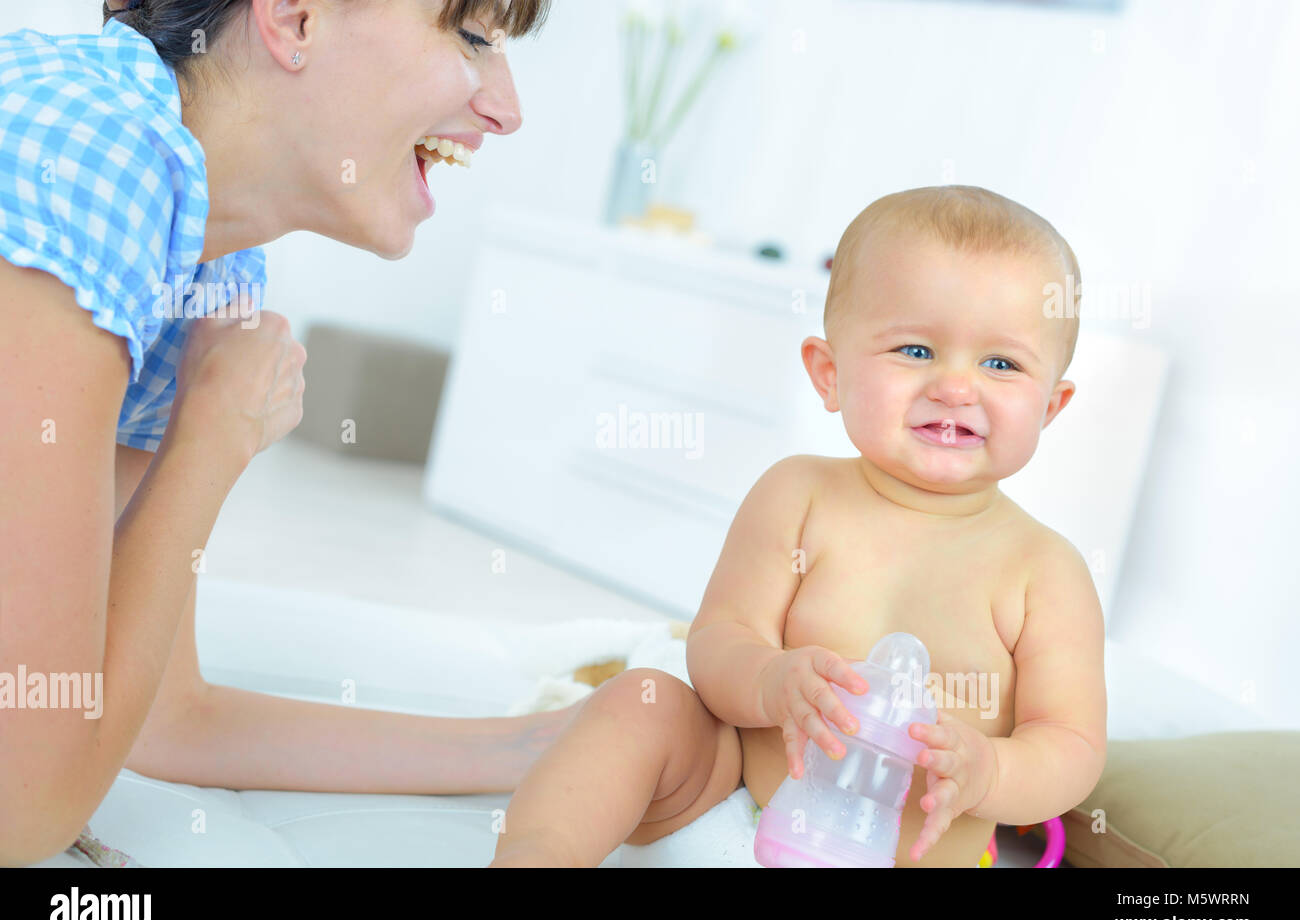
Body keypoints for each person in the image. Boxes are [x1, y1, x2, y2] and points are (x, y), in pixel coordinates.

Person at [0, 0, 573, 868]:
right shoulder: (89, 150)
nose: (507, 108)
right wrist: (209, 437)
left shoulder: (212, 254)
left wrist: (531, 745)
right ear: (296, 18)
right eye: (471, 38)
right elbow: (22, 804)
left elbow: (162, 716)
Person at [490, 185, 1108, 868]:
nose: (956, 387)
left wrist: (990, 770)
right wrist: (770, 678)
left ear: (1050, 407)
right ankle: (536, 856)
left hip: (908, 857)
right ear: (829, 372)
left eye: (1001, 363)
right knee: (643, 703)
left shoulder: (1044, 571)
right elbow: (720, 639)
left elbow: (1071, 746)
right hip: (734, 802)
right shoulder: (798, 495)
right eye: (915, 350)